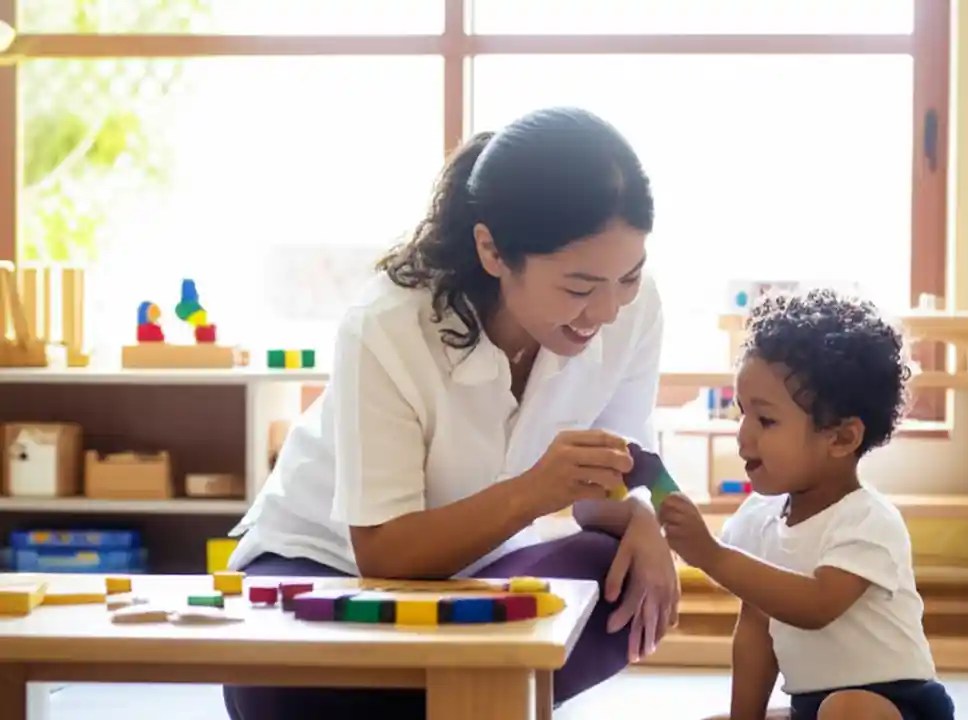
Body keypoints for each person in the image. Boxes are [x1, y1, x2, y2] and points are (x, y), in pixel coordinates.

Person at [222, 107, 679, 720]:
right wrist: (534, 491)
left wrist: (641, 520)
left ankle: (429, 698)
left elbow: (612, 480)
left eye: (627, 277)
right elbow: (383, 555)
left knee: (614, 576)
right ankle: (463, 697)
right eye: (577, 288)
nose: (606, 312)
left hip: (481, 572)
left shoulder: (635, 310)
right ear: (492, 250)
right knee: (279, 676)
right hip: (329, 564)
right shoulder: (388, 326)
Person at [660, 289, 955, 720]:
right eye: (740, 412)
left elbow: (815, 606)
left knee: (845, 709)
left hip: (896, 705)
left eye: (766, 420)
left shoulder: (868, 521)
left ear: (841, 438)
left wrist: (711, 555)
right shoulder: (759, 520)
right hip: (813, 707)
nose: (743, 436)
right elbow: (757, 633)